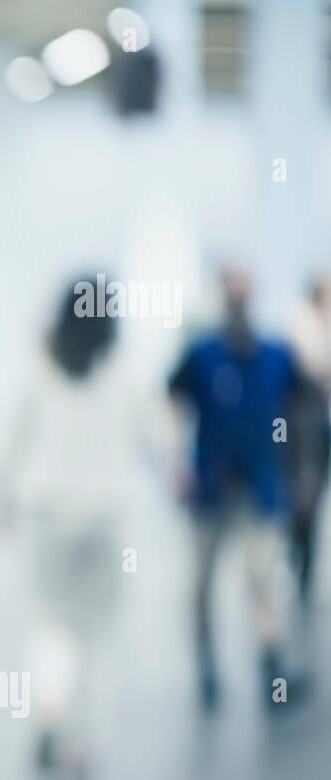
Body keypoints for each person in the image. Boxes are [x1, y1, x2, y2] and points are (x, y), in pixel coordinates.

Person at [0, 276, 139, 780]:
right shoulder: (120, 371)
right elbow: (148, 436)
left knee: (51, 623)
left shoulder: (42, 368)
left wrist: (2, 498)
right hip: (103, 517)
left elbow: (14, 437)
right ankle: (80, 743)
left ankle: (49, 717)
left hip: (48, 514)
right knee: (96, 634)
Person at [168, 267, 302, 712]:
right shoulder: (201, 356)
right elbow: (172, 402)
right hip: (211, 489)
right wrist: (179, 464)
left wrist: (299, 471)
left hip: (260, 487)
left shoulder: (275, 356)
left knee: (262, 581)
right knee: (202, 584)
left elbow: (303, 405)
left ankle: (272, 674)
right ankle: (207, 669)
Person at [284, 278, 331, 607]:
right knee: (305, 498)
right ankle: (299, 573)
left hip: (320, 424)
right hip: (305, 427)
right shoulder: (302, 321)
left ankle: (306, 574)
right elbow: (307, 368)